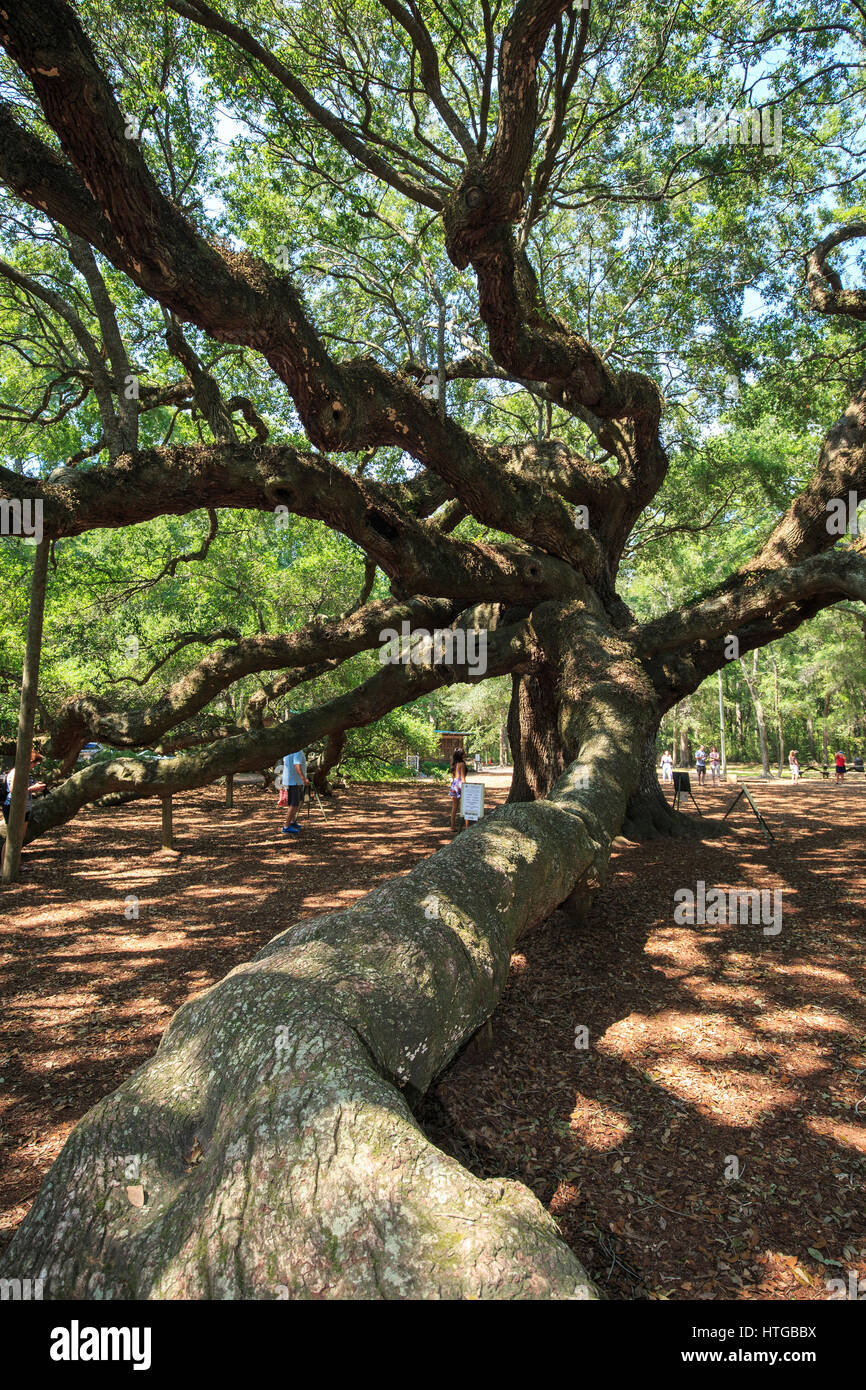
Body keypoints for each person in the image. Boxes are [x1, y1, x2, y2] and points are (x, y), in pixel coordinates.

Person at [1, 749, 47, 869]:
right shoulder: (16, 772)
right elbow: (14, 790)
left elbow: (25, 788)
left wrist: (34, 786)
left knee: (20, 837)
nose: (34, 766)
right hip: (13, 807)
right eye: (34, 763)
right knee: (12, 838)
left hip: (25, 807)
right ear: (29, 761)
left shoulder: (26, 773)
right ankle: (4, 868)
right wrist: (33, 789)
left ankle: (15, 864)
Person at [281, 749, 309, 834]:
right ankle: (286, 826)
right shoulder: (298, 751)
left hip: (292, 780)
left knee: (298, 801)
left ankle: (292, 822)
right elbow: (297, 765)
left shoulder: (289, 750)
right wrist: (303, 779)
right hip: (294, 781)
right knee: (294, 804)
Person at [449, 745, 467, 833]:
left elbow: (453, 777)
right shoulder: (462, 764)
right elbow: (462, 778)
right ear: (461, 755)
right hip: (460, 785)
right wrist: (466, 787)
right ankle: (466, 827)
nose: (465, 753)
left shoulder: (454, 764)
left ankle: (452, 826)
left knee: (454, 807)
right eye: (464, 753)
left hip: (454, 785)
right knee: (464, 806)